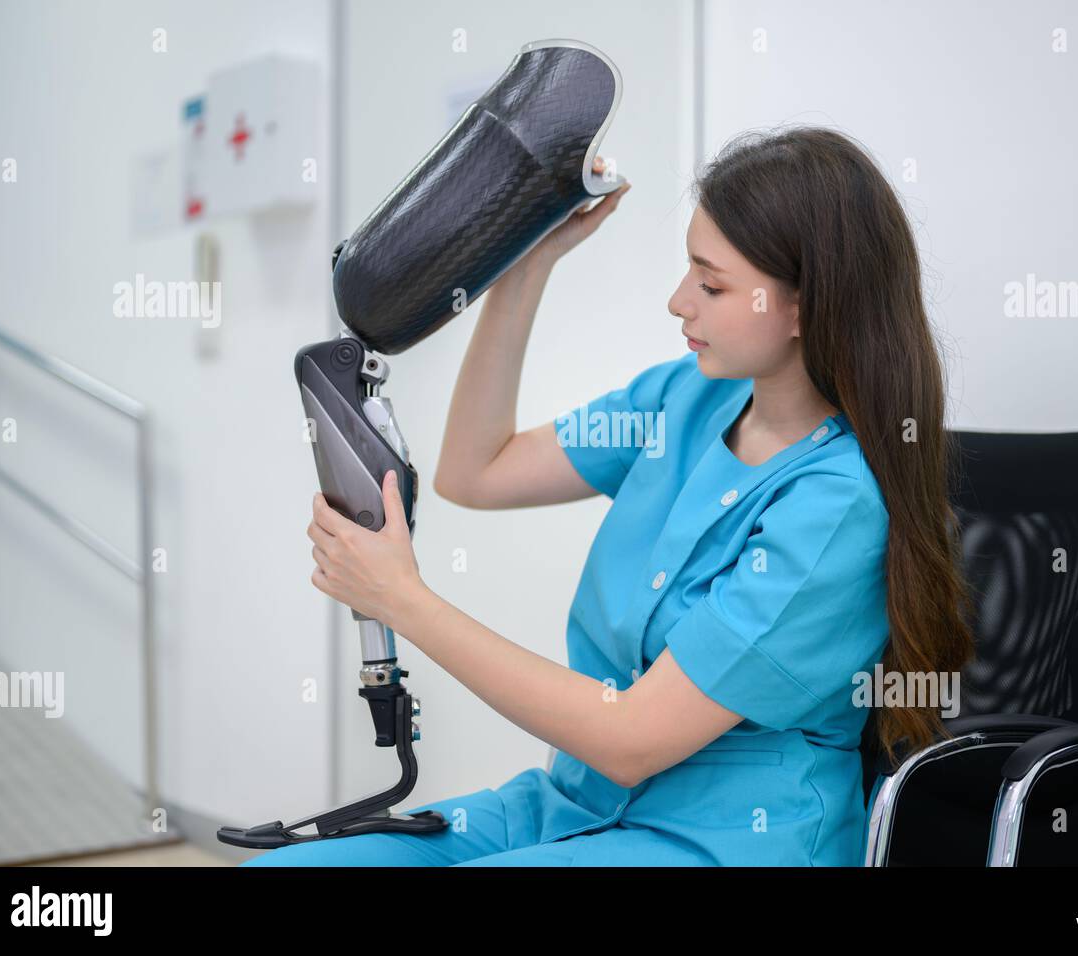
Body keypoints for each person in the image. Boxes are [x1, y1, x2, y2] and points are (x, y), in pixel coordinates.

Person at [242, 129, 975, 867]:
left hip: (723, 841)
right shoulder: (686, 400)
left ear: (803, 307)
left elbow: (632, 740)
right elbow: (476, 470)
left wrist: (405, 600)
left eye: (711, 285)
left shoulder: (835, 507)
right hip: (573, 806)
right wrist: (528, 264)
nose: (678, 302)